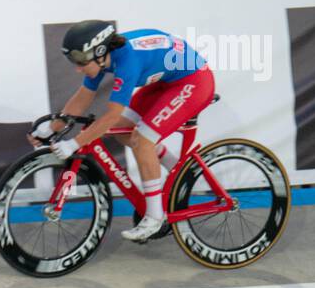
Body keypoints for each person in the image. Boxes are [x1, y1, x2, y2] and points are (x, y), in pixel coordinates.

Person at [32, 20, 216, 243]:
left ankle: (155, 217)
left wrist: (74, 144)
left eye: (80, 60)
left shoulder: (127, 61)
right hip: (166, 81)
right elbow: (83, 97)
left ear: (99, 51)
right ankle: (177, 169)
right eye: (73, 60)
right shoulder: (102, 58)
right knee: (122, 130)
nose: (77, 67)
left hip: (194, 81)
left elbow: (109, 116)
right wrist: (50, 129)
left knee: (143, 140)